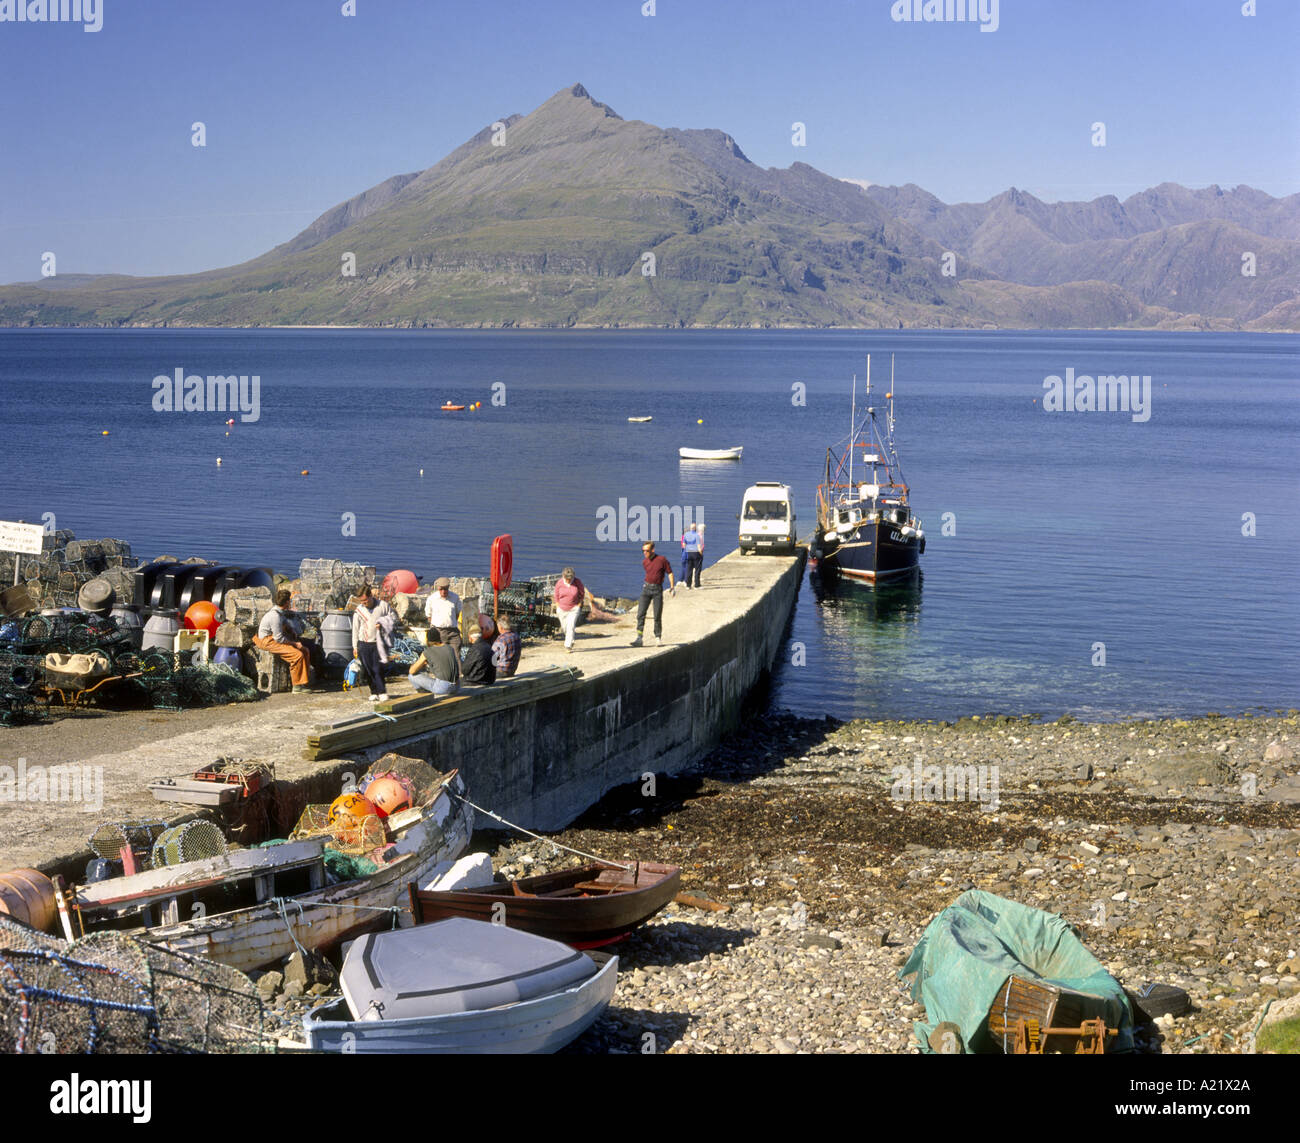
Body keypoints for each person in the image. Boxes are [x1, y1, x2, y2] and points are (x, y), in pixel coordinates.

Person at [253, 589, 311, 692]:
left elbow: (284, 623)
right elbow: (279, 638)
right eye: (289, 600)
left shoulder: (280, 612)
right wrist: (295, 644)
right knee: (297, 655)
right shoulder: (274, 616)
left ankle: (304, 682)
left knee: (305, 651)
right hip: (267, 641)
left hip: (274, 639)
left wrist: (291, 629)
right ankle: (297, 686)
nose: (290, 602)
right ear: (287, 602)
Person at [351, 586, 394, 702]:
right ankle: (373, 691)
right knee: (367, 669)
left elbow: (393, 618)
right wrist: (355, 646)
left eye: (366, 600)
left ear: (371, 596)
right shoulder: (359, 610)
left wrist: (383, 623)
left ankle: (382, 691)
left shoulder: (383, 605)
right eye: (361, 601)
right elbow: (355, 629)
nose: (364, 603)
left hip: (379, 642)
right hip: (364, 643)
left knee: (378, 668)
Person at [631, 541, 675, 647]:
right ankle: (639, 638)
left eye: (647, 550)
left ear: (652, 550)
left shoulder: (662, 560)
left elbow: (670, 573)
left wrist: (672, 587)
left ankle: (658, 638)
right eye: (643, 550)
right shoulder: (644, 562)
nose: (644, 553)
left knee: (657, 615)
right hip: (646, 589)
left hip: (657, 590)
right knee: (640, 614)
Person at [408, 627, 460, 696]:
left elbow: (412, 671)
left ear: (428, 640)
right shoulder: (449, 648)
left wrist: (419, 664)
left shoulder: (427, 652)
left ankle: (424, 696)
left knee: (411, 676)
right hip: (456, 687)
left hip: (443, 688)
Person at [424, 576, 462, 653]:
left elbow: (457, 613)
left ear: (448, 587)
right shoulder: (432, 599)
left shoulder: (455, 598)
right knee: (441, 655)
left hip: (453, 632)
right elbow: (428, 615)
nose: (443, 591)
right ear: (438, 588)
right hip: (438, 632)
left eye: (445, 589)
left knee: (456, 656)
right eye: (441, 589)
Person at [552, 566, 585, 652]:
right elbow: (555, 594)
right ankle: (571, 640)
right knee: (564, 627)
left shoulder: (577, 582)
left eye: (570, 579)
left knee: (571, 626)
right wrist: (557, 604)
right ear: (563, 576)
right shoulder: (559, 583)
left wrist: (579, 604)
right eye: (567, 579)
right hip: (561, 608)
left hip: (574, 608)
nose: (568, 581)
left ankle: (568, 646)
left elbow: (582, 593)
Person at [681, 522, 704, 588]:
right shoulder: (697, 535)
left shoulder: (686, 534)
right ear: (695, 528)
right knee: (697, 569)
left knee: (689, 569)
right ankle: (697, 585)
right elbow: (699, 546)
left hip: (689, 553)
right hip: (696, 553)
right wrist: (701, 554)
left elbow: (683, 545)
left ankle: (688, 585)